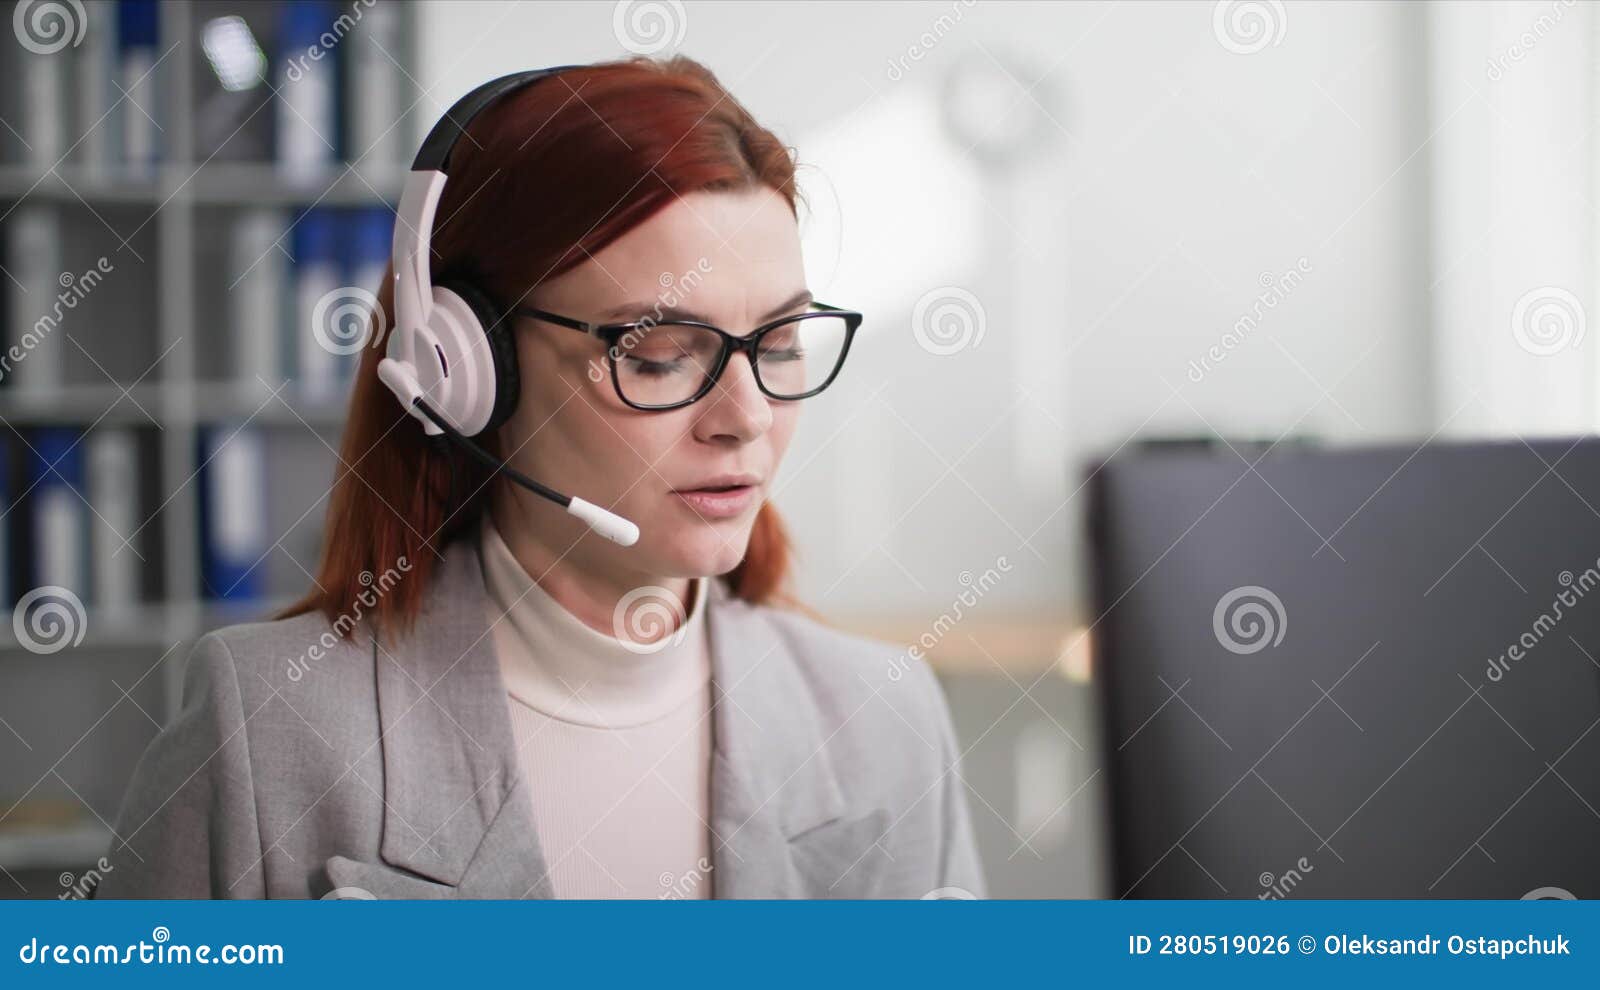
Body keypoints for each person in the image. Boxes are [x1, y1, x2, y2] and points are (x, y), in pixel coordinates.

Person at [96, 54, 985, 900]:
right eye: (663, 355)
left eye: (781, 345)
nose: (747, 417)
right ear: (467, 369)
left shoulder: (884, 719)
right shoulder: (267, 725)